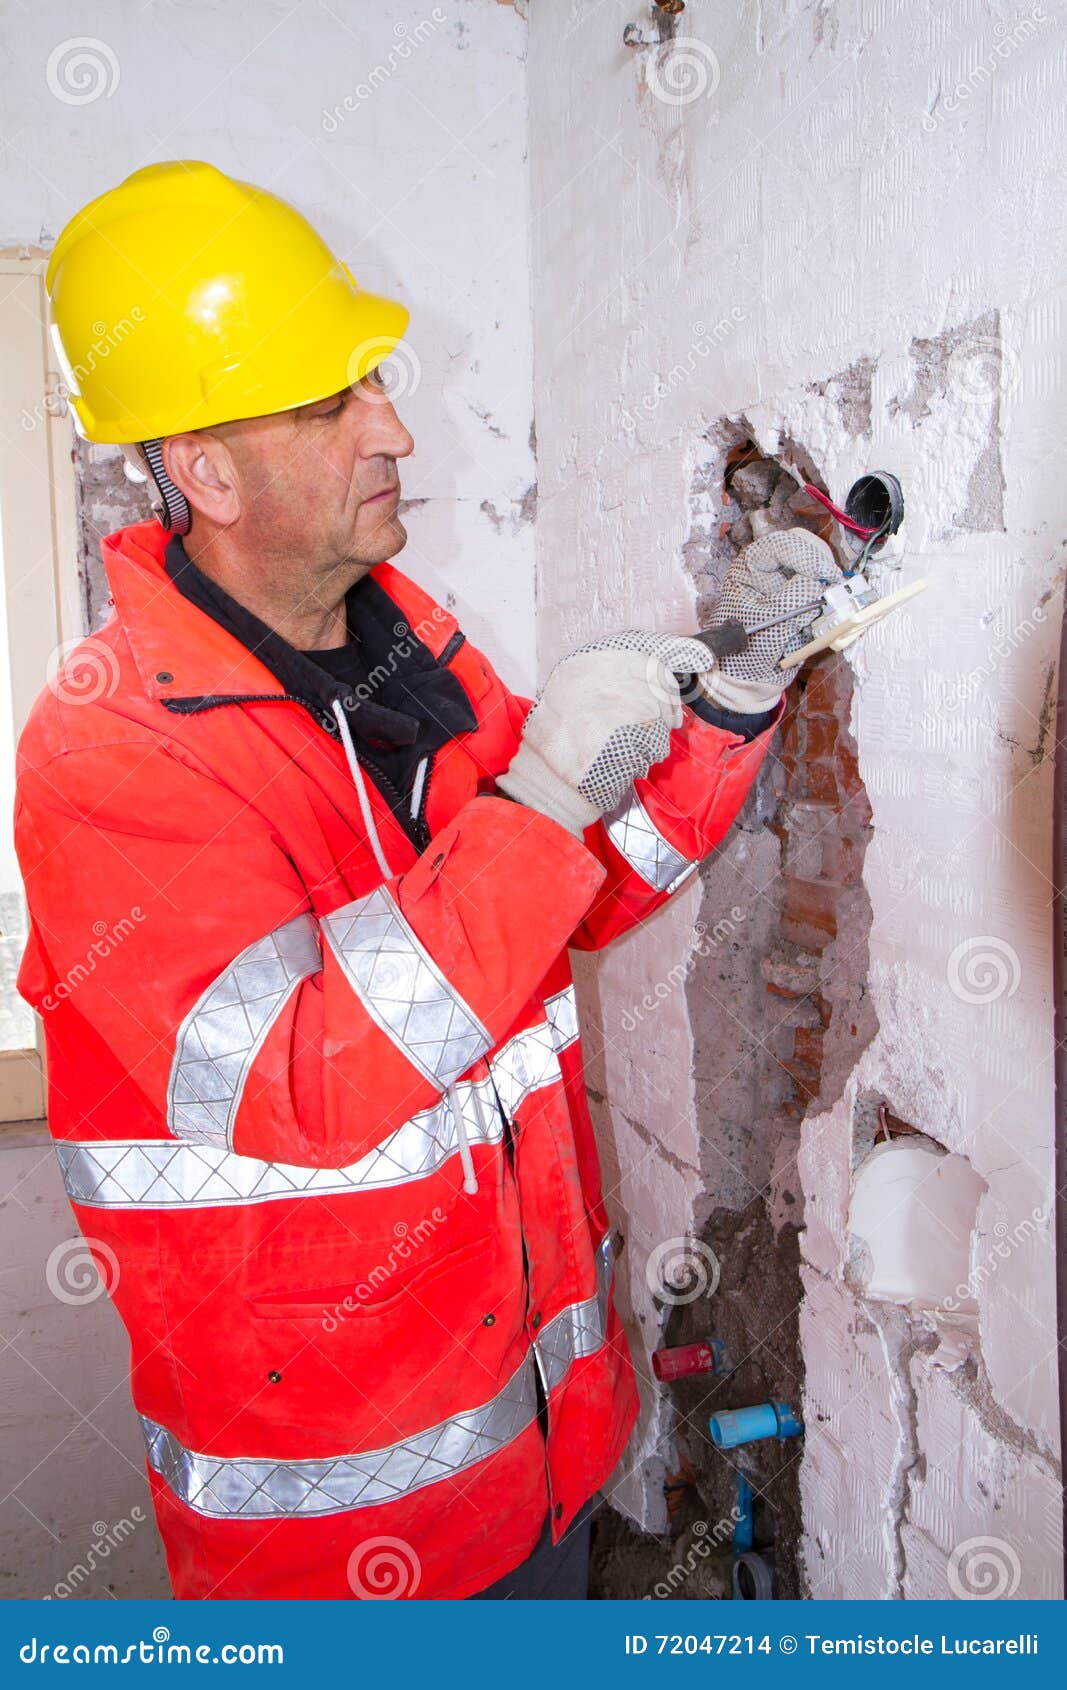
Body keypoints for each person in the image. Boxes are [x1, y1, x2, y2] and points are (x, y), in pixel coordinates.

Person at [15, 162, 842, 1600]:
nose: (394, 427)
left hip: (546, 1455)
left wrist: (733, 703)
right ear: (204, 467)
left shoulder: (407, 646)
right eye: (332, 403)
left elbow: (564, 897)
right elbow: (308, 1080)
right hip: (334, 1548)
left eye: (374, 383)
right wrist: (534, 795)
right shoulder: (112, 754)